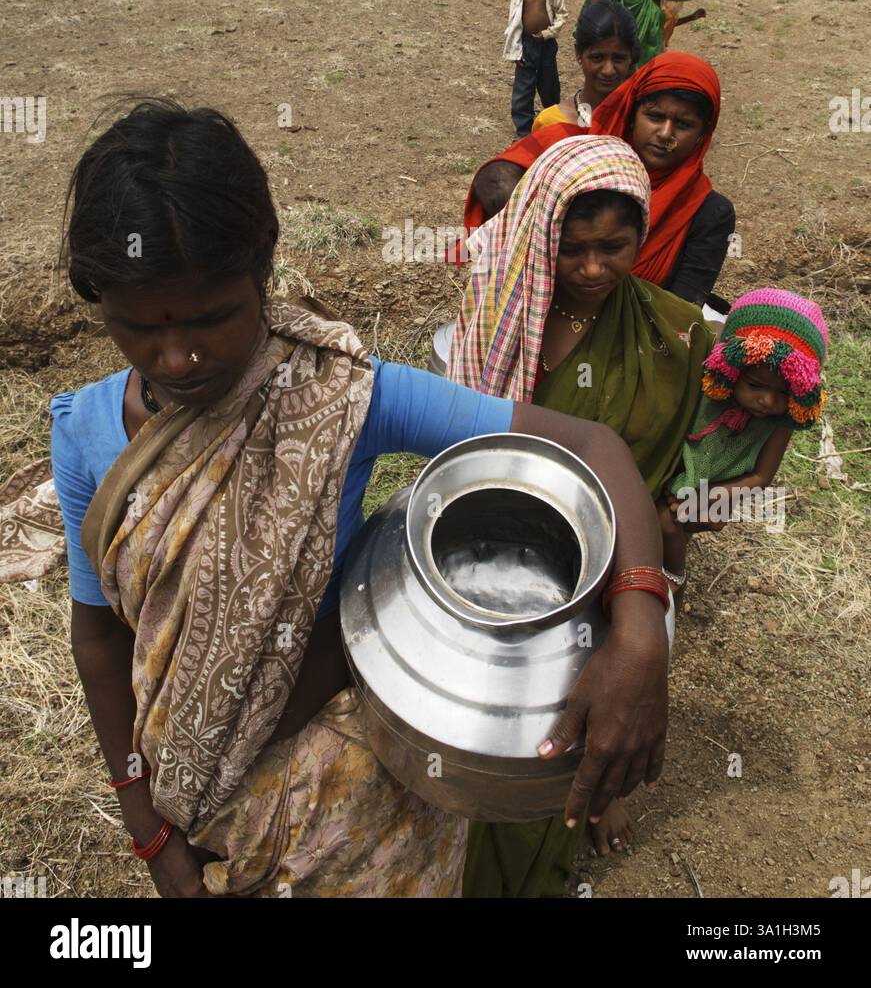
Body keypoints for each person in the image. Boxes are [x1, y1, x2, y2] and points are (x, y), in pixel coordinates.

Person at [35, 99, 671, 900]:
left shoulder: (345, 397)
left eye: (213, 318)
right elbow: (97, 639)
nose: (178, 355)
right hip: (190, 798)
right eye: (136, 328)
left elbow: (590, 447)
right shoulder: (85, 433)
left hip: (362, 782)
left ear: (262, 274)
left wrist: (641, 633)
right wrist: (148, 829)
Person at [446, 134, 713, 894]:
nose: (594, 269)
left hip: (615, 571)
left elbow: (693, 459)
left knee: (569, 742)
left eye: (616, 246)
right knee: (489, 734)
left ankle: (574, 820)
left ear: (644, 236)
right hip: (503, 566)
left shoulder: (675, 335)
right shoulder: (498, 304)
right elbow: (467, 436)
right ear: (539, 236)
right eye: (574, 249)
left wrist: (695, 508)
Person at [457, 53, 735, 308]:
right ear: (632, 112)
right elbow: (493, 179)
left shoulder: (708, 213)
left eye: (684, 124)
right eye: (654, 116)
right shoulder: (577, 148)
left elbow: (680, 313)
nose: (665, 133)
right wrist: (546, 234)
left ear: (703, 134)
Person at [658, 289, 827, 585]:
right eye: (755, 385)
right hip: (675, 473)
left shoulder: (781, 422)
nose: (767, 401)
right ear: (732, 369)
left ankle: (673, 579)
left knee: (679, 524)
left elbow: (762, 476)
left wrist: (713, 497)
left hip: (726, 486)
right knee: (663, 521)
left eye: (784, 393)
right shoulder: (706, 387)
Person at [532, 1, 638, 131]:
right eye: (597, 58)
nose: (608, 70)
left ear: (631, 56)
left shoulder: (638, 124)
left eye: (618, 58)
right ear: (578, 53)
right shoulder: (551, 124)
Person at [504, 0, 568, 137]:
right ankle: (523, 133)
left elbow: (562, 15)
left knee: (550, 87)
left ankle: (553, 128)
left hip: (547, 46)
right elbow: (513, 23)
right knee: (523, 92)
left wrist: (548, 33)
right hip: (526, 46)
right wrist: (515, 51)